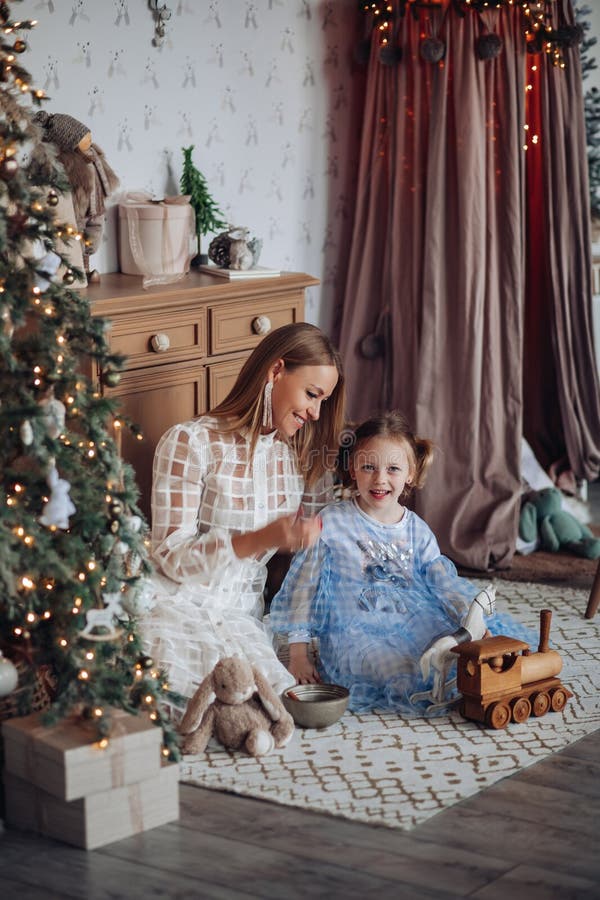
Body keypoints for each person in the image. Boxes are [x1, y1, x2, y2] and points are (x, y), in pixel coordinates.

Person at [269, 411, 533, 715]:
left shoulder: (416, 530)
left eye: (393, 468)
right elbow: (303, 589)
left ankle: (463, 677)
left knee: (454, 655)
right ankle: (426, 684)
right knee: (397, 672)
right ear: (352, 468)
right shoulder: (331, 523)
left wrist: (468, 618)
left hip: (412, 620)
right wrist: (300, 654)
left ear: (410, 473)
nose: (380, 479)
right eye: (368, 467)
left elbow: (443, 585)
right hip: (358, 631)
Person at [138, 322, 345, 707]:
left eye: (323, 402)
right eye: (312, 395)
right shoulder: (189, 441)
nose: (316, 413)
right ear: (275, 371)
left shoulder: (290, 459)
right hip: (178, 599)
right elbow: (168, 557)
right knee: (177, 697)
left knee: (272, 701)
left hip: (240, 615)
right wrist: (259, 539)